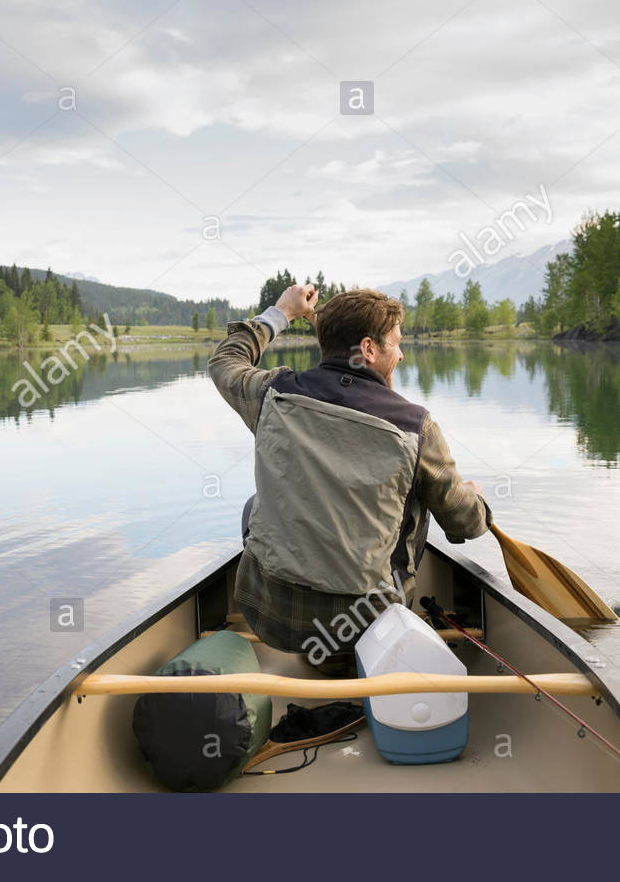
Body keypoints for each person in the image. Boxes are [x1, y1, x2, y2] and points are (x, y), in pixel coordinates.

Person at [208, 284, 491, 676]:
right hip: (366, 626)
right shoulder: (415, 426)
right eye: (396, 343)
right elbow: (467, 524)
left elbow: (225, 361)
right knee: (418, 497)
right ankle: (358, 650)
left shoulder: (273, 393)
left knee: (254, 507)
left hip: (268, 618)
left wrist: (281, 312)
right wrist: (474, 499)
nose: (402, 354)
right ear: (369, 350)